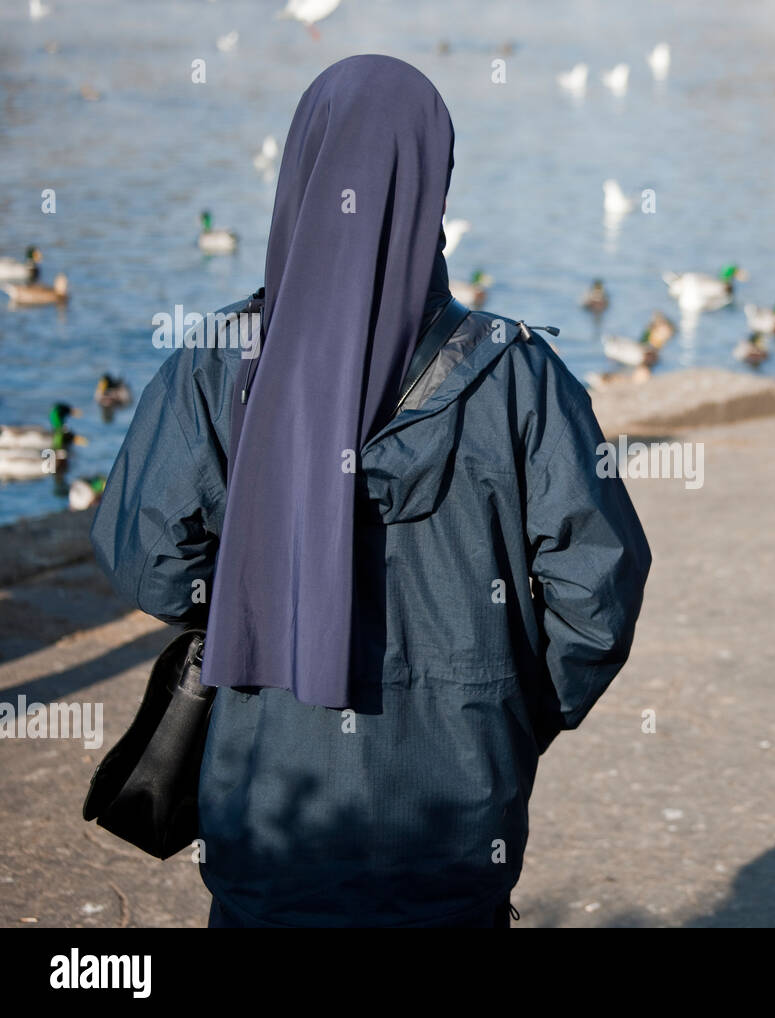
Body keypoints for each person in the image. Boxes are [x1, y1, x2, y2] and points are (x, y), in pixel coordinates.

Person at [89, 55, 652, 928]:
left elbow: (152, 560)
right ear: (435, 185)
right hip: (457, 808)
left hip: (270, 799)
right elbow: (598, 590)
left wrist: (255, 604)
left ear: (300, 167)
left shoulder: (222, 361)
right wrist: (505, 708)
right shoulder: (519, 373)